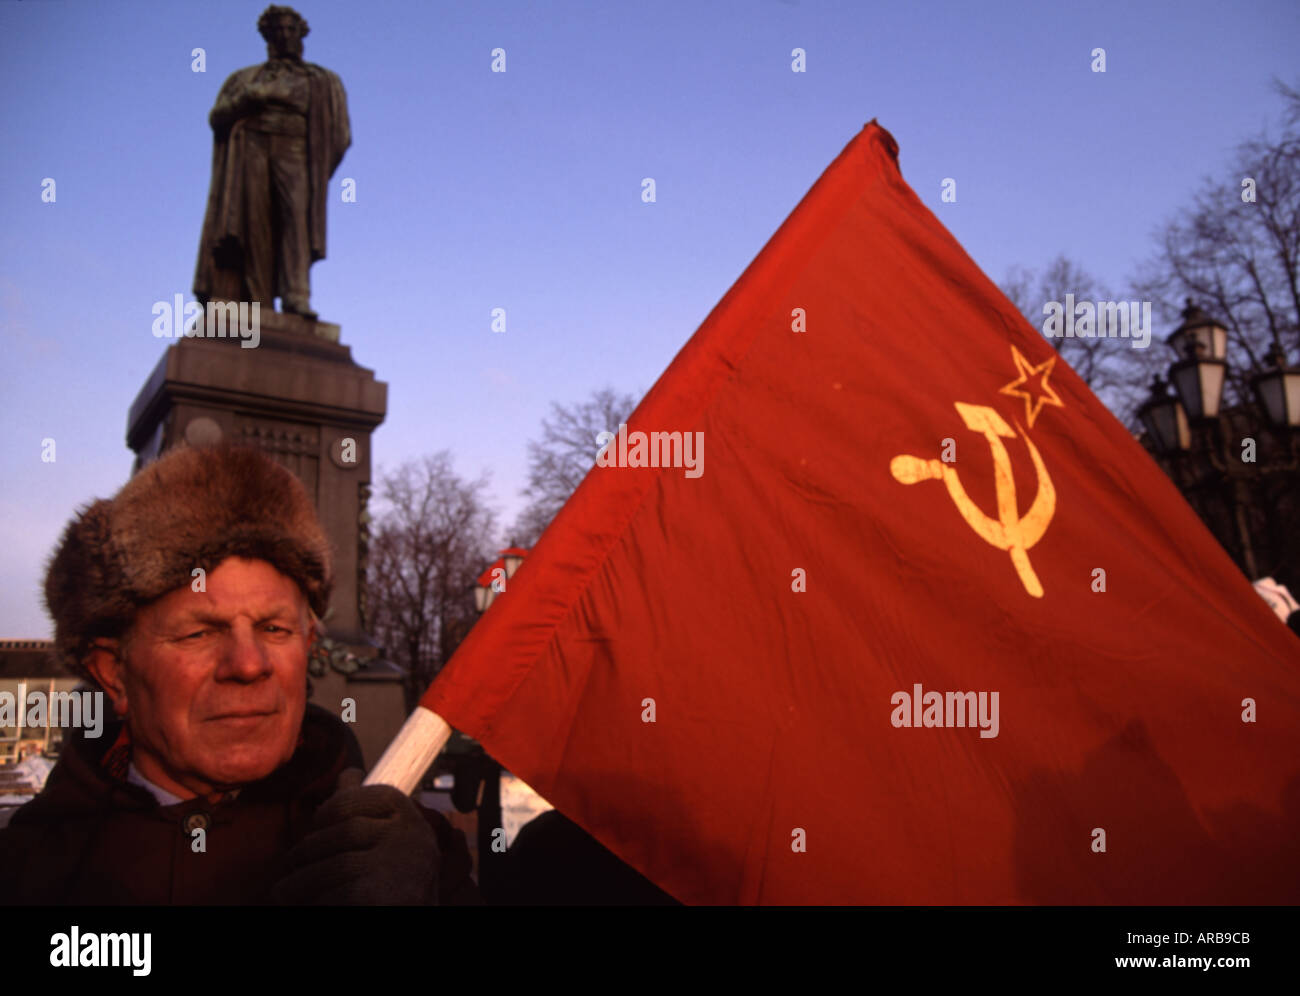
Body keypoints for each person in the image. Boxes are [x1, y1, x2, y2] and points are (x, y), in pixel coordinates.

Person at [0, 443, 477, 905]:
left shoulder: (412, 857)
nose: (249, 665)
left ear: (309, 645)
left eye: (274, 628)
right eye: (200, 634)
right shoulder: (26, 871)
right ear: (113, 672)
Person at [193, 5, 349, 320]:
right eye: (278, 30)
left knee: (295, 222)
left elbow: (340, 135)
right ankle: (257, 300)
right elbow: (217, 118)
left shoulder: (322, 80)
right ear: (267, 36)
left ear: (301, 34)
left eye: (291, 29)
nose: (285, 35)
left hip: (297, 151)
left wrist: (317, 169)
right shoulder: (245, 78)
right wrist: (247, 99)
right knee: (254, 224)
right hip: (251, 147)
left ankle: (296, 297)